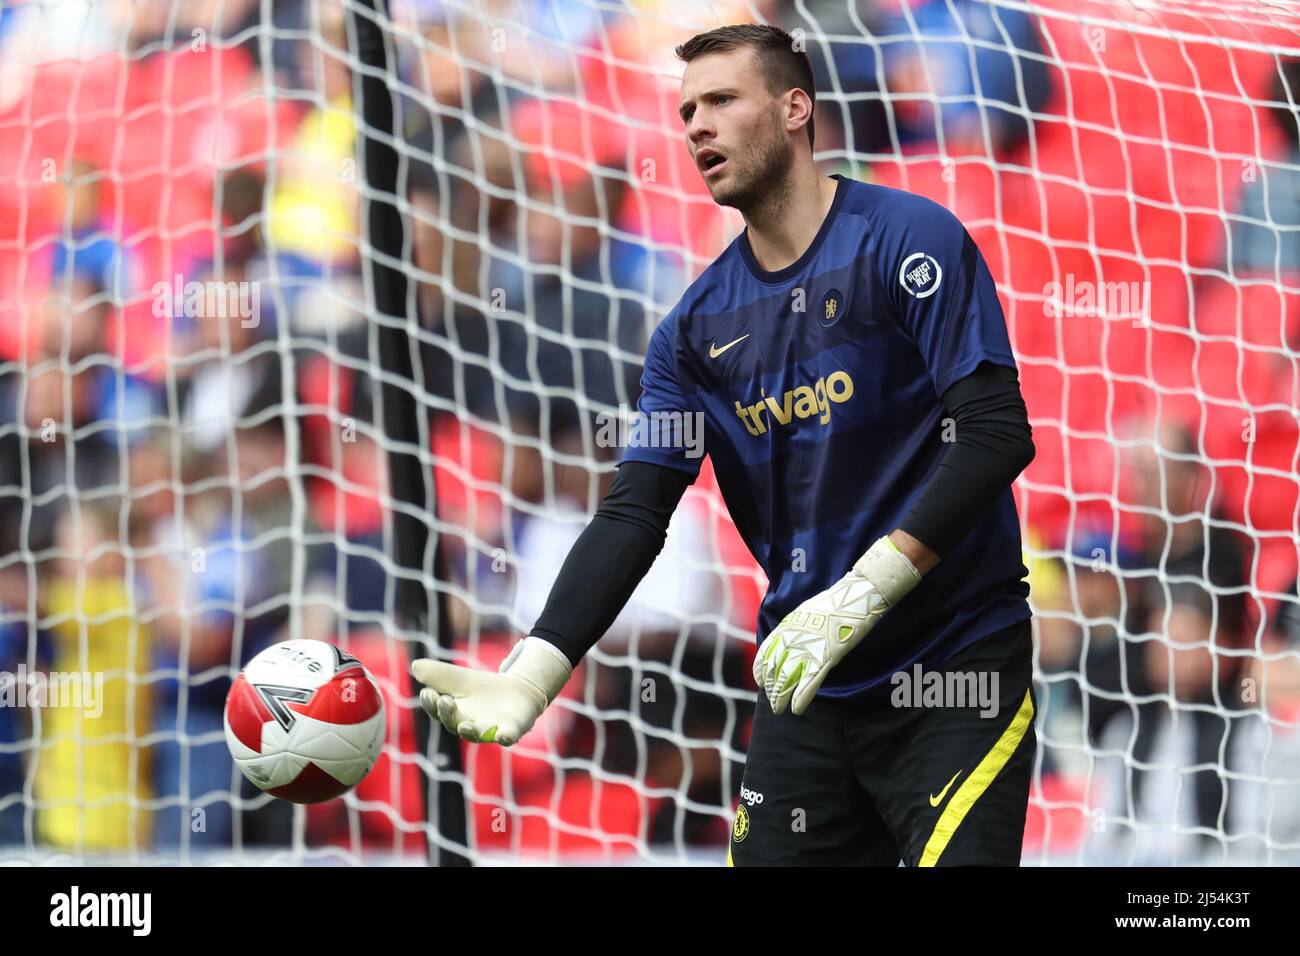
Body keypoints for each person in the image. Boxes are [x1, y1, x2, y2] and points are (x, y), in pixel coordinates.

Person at [410, 23, 1037, 867]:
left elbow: (997, 435)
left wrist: (866, 591)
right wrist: (537, 667)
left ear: (794, 109)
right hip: (804, 680)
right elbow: (636, 510)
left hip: (953, 669)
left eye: (722, 100)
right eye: (687, 110)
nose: (698, 124)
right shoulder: (692, 332)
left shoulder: (908, 240)